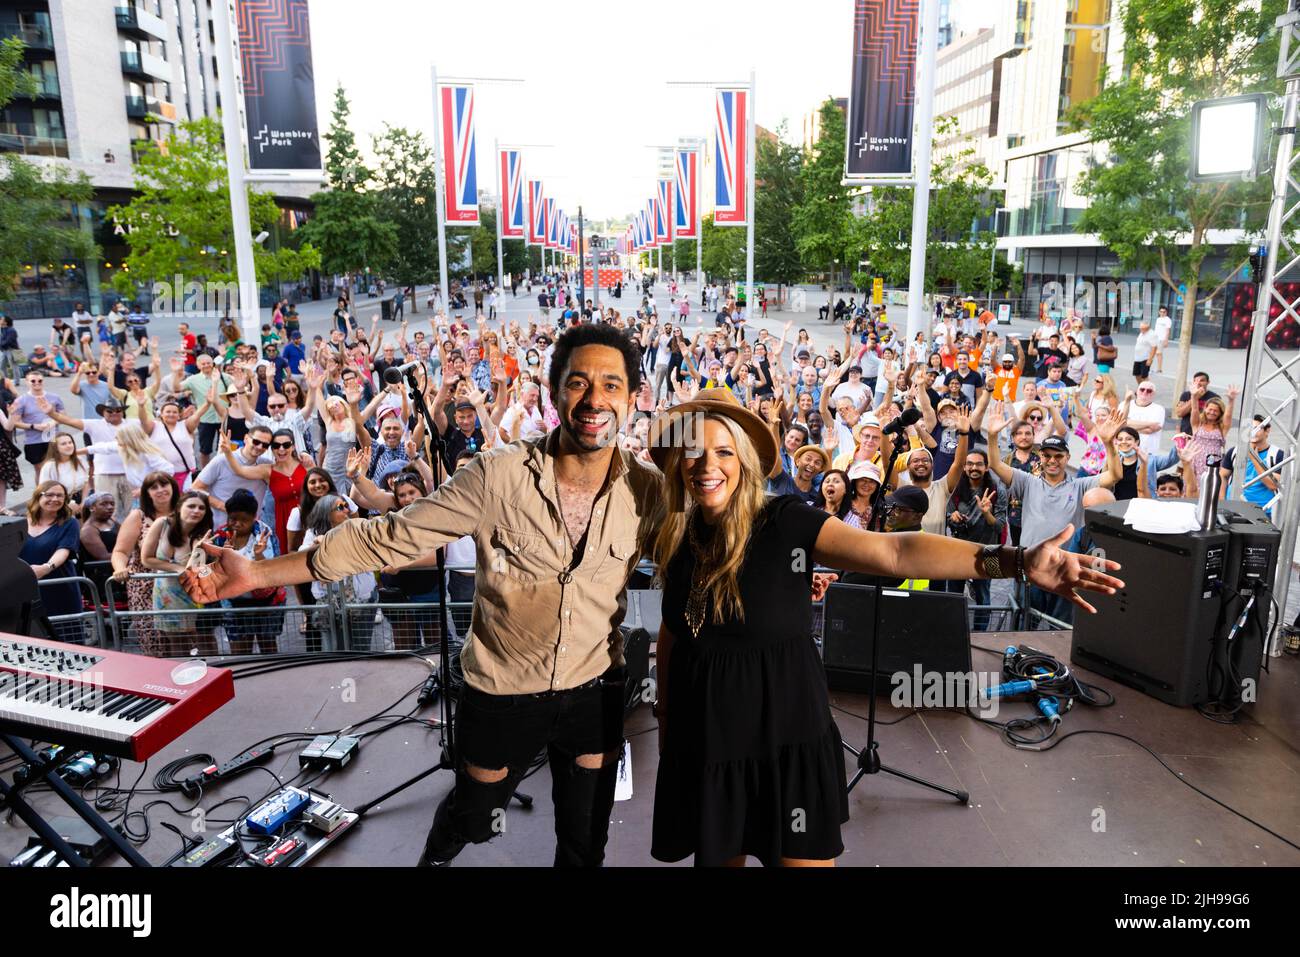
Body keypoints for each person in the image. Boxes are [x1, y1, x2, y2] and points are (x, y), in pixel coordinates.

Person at [181, 323, 665, 868]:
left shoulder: (646, 492)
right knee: (476, 817)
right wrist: (256, 574)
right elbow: (389, 537)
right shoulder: (498, 477)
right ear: (555, 392)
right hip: (503, 691)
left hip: (594, 691)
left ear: (631, 398)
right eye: (579, 383)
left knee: (585, 839)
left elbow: (711, 554)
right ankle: (434, 861)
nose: (595, 400)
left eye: (611, 385)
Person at [645, 389, 1122, 867]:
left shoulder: (783, 521)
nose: (708, 465)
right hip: (708, 740)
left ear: (745, 460)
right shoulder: (678, 535)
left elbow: (896, 552)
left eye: (724, 451)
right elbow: (674, 632)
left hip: (785, 738)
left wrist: (1015, 561)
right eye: (693, 451)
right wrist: (667, 721)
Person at [984, 404, 1124, 627]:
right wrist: (992, 436)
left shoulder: (1080, 485)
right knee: (1023, 623)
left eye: (1058, 455)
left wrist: (1108, 442)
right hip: (1030, 566)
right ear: (1040, 457)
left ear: (1067, 457)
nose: (1052, 460)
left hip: (1064, 569)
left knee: (1059, 628)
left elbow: (1115, 475)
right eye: (1047, 455)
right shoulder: (1026, 481)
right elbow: (995, 464)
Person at [141, 490, 217, 657]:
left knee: (204, 640)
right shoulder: (162, 524)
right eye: (191, 506)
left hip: (195, 593)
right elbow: (147, 559)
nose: (196, 511)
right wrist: (176, 568)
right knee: (177, 642)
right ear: (179, 507)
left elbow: (197, 569)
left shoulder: (203, 534)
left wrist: (199, 550)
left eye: (201, 508)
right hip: (167, 593)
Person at [110, 472, 178, 655]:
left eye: (164, 485)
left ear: (173, 486)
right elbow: (120, 551)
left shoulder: (185, 511)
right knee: (155, 641)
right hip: (146, 587)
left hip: (180, 585)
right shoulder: (138, 516)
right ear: (146, 493)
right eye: (154, 487)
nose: (160, 490)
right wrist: (120, 569)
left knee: (185, 641)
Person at [212, 488, 284, 655]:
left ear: (254, 517)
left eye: (244, 520)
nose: (237, 524)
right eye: (233, 519)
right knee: (239, 649)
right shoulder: (221, 535)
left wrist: (259, 555)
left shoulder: (265, 533)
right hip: (233, 602)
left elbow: (272, 570)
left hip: (267, 601)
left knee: (268, 645)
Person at [217, 427, 305, 557]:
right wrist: (228, 452)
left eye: (286, 445)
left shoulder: (305, 464)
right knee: (288, 559)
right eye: (276, 445)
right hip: (283, 522)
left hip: (308, 517)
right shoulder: (267, 470)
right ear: (272, 449)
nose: (281, 449)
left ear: (293, 446)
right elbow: (240, 470)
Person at [945, 448, 1006, 630]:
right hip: (959, 549)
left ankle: (981, 633)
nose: (974, 468)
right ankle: (953, 629)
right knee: (954, 594)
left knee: (983, 595)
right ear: (964, 467)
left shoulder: (997, 490)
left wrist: (987, 513)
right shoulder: (955, 488)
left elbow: (1000, 526)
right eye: (970, 464)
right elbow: (947, 517)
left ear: (986, 467)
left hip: (990, 551)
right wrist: (953, 518)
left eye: (979, 464)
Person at [18, 481, 82, 641]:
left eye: (60, 495)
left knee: (66, 638)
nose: (55, 499)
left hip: (59, 589)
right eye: (49, 495)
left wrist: (46, 567)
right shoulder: (19, 522)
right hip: (28, 590)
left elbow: (64, 551)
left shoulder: (69, 523)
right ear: (38, 497)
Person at [191, 424, 273, 526]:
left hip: (250, 529)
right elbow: (195, 488)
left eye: (265, 445)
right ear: (246, 438)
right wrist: (224, 506)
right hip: (219, 527)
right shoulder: (221, 460)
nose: (260, 447)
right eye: (256, 442)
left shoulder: (266, 465)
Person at [1220, 415, 1283, 519]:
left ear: (1267, 431)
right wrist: (1223, 501)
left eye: (1256, 428)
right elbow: (1223, 475)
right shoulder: (1234, 451)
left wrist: (1254, 457)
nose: (1251, 432)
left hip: (1263, 511)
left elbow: (1273, 485)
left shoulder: (1277, 454)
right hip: (1234, 507)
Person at [77, 491, 119, 600]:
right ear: (92, 508)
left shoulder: (112, 521)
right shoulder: (88, 530)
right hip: (103, 578)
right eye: (104, 504)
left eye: (112, 503)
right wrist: (127, 556)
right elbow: (103, 556)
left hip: (117, 569)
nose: (110, 507)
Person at [38, 432, 90, 511]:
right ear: (55, 448)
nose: (68, 446)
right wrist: (65, 506)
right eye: (63, 444)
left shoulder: (80, 460)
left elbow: (86, 483)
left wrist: (83, 502)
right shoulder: (49, 466)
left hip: (79, 499)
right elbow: (44, 491)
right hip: (58, 502)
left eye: (70, 442)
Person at [1173, 371, 1219, 436]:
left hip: (1205, 435)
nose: (1198, 383)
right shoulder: (1186, 395)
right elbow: (1180, 413)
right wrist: (1194, 397)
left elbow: (1218, 416)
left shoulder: (1214, 397)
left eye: (1202, 381)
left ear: (1208, 382)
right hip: (1186, 433)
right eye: (1196, 381)